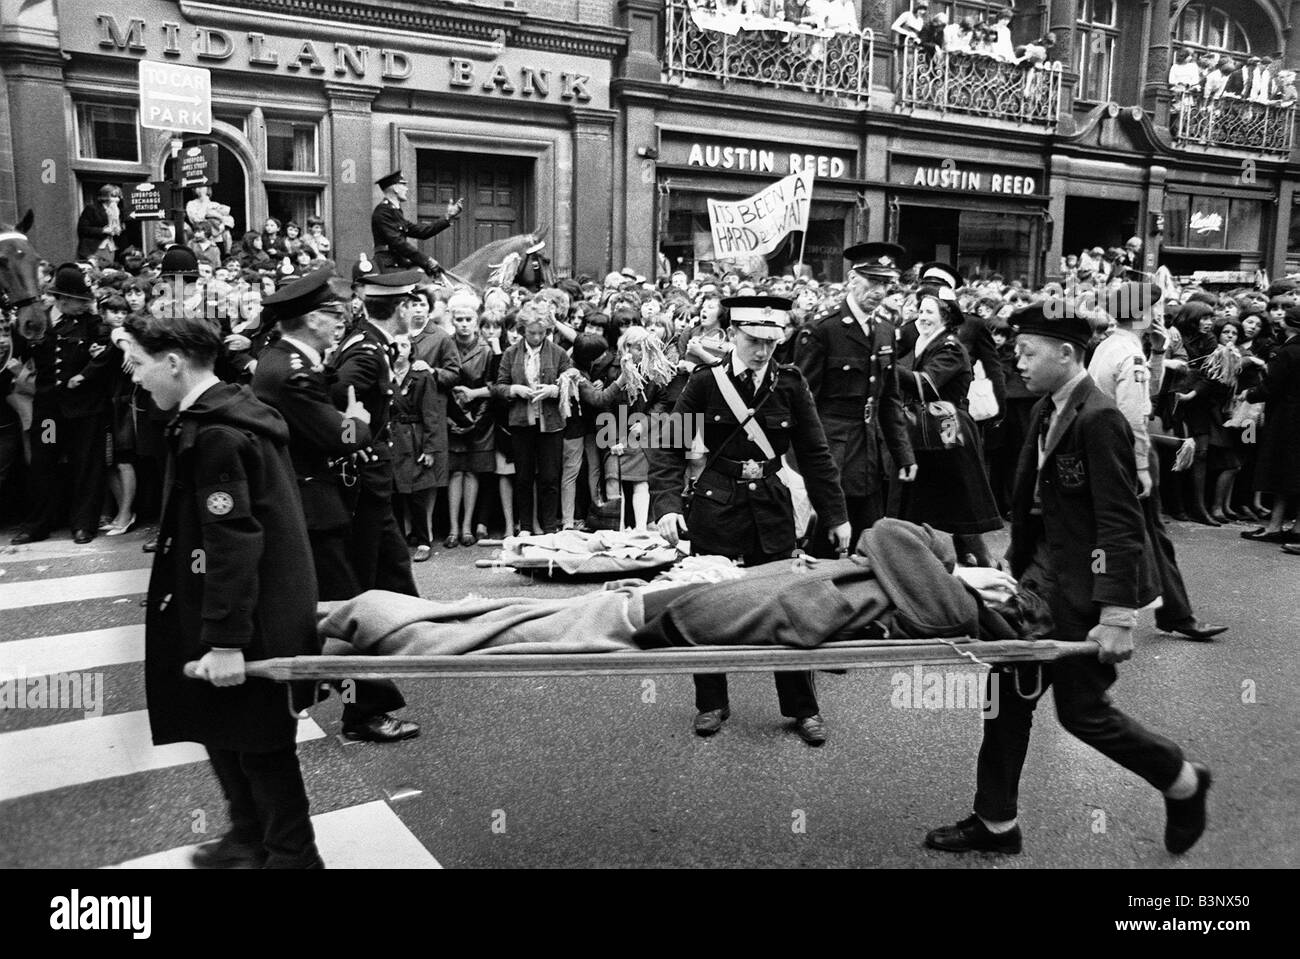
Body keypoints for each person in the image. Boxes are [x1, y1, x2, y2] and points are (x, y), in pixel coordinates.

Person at [925, 302, 1211, 857]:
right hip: (1042, 582)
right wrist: (1016, 559)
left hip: (1085, 591)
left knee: (1083, 716)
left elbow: (1120, 522)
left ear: (1066, 354)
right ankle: (996, 822)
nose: (1017, 362)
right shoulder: (1046, 408)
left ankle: (1184, 781)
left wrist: (1118, 617)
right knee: (1005, 701)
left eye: (1028, 353)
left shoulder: (1097, 417)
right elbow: (1039, 502)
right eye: (1016, 351)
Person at [121, 309, 324, 869]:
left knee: (262, 748)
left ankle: (293, 858)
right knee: (225, 731)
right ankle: (247, 839)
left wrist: (228, 640)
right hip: (238, 614)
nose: (132, 375)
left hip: (250, 622)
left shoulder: (218, 433)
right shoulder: (219, 416)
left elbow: (233, 541)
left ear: (173, 363)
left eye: (137, 363)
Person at [650, 296, 852, 746]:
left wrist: (836, 515)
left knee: (787, 605)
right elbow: (667, 446)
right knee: (709, 606)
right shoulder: (705, 383)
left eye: (771, 342)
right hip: (717, 506)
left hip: (773, 510)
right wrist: (665, 506)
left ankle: (803, 708)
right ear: (732, 335)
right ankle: (711, 702)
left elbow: (817, 455)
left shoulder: (790, 384)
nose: (763, 352)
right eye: (753, 341)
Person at [251, 266, 417, 743]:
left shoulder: (288, 362)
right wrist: (357, 422)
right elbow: (338, 433)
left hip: (312, 499)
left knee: (317, 607)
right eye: (330, 311)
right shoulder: (292, 372)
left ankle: (302, 690)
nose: (340, 317)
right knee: (346, 613)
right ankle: (363, 710)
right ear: (307, 319)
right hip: (313, 503)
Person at [1087, 284, 1228, 642]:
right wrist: (1142, 467)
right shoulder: (1128, 353)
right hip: (1126, 449)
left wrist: (1159, 353)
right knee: (1142, 535)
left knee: (1137, 534)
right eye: (1156, 306)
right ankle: (1175, 614)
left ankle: (1176, 613)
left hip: (1108, 449)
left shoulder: (1113, 345)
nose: (1161, 312)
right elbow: (1136, 415)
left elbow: (1147, 392)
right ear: (1142, 312)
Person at [795, 242, 916, 548]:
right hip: (831, 455)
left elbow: (888, 399)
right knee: (825, 542)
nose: (879, 291)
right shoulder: (823, 330)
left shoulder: (886, 330)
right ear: (852, 279)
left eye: (886, 284)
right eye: (873, 281)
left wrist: (902, 453)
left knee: (869, 543)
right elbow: (802, 404)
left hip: (869, 455)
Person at [894, 281, 1002, 566]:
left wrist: (885, 367)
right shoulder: (926, 343)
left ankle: (988, 564)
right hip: (931, 431)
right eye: (919, 311)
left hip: (949, 431)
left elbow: (926, 385)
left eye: (929, 312)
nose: (921, 317)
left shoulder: (950, 348)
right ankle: (957, 561)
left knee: (961, 504)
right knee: (946, 502)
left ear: (946, 317)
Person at [10, 264, 115, 545]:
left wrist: (85, 374)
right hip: (49, 409)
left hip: (86, 408)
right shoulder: (36, 321)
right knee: (43, 462)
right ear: (63, 299)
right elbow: (15, 353)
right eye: (81, 302)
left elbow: (106, 354)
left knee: (86, 465)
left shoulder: (93, 324)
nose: (85, 307)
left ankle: (83, 524)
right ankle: (39, 523)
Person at [493, 303, 572, 534]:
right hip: (521, 422)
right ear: (522, 331)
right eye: (531, 333)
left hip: (551, 423)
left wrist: (554, 390)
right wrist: (514, 390)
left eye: (541, 333)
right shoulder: (510, 353)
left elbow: (571, 380)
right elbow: (498, 386)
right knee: (524, 477)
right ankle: (526, 525)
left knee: (549, 477)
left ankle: (549, 526)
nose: (537, 337)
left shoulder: (557, 353)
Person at [1240, 303, 1300, 549]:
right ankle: (1296, 528)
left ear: (1287, 324)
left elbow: (1272, 387)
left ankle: (1274, 526)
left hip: (1286, 418)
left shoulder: (1286, 352)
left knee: (1280, 471)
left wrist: (1249, 394)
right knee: (1296, 473)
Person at [370, 169, 463, 277]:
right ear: (395, 188)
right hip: (388, 266)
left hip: (399, 263)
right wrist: (426, 261)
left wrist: (448, 216)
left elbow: (422, 232)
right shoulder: (383, 212)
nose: (407, 189)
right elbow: (398, 243)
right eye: (403, 185)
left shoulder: (395, 212)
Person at [76, 184, 123, 263]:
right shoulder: (92, 209)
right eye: (113, 197)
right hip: (94, 247)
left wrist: (119, 229)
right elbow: (82, 228)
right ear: (105, 197)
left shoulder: (117, 211)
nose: (117, 200)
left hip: (111, 247)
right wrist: (103, 230)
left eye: (118, 197)